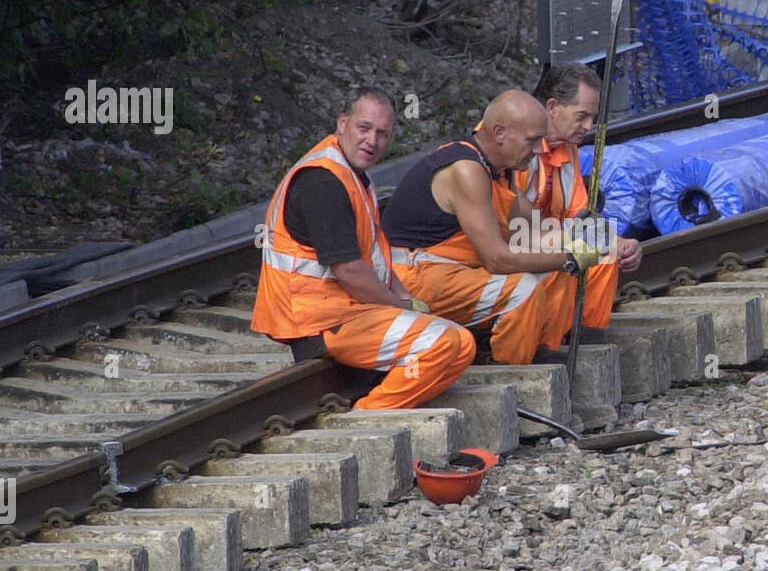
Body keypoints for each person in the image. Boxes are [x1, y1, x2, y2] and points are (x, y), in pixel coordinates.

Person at [251, 88, 475, 409]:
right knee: (442, 342)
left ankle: (380, 401)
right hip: (317, 321)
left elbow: (375, 261)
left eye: (383, 133)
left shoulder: (354, 177)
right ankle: (370, 414)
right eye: (364, 128)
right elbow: (351, 272)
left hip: (346, 311)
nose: (372, 140)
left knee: (462, 345)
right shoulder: (323, 183)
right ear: (342, 124)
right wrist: (401, 309)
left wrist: (407, 299)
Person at [381, 89, 605, 365]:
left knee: (553, 272)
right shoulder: (466, 169)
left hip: (451, 268)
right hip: (415, 275)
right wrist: (569, 257)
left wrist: (580, 238)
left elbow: (529, 227)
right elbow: (496, 258)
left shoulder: (502, 167)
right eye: (532, 141)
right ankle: (510, 373)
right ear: (499, 133)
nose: (538, 150)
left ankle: (544, 353)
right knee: (522, 290)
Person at [517, 63, 642, 329]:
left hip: (545, 240)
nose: (589, 126)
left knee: (604, 253)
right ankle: (545, 347)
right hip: (518, 244)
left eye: (593, 118)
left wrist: (620, 243)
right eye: (582, 116)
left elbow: (579, 216)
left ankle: (587, 338)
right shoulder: (515, 148)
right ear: (552, 107)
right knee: (574, 255)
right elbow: (513, 224)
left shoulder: (568, 149)